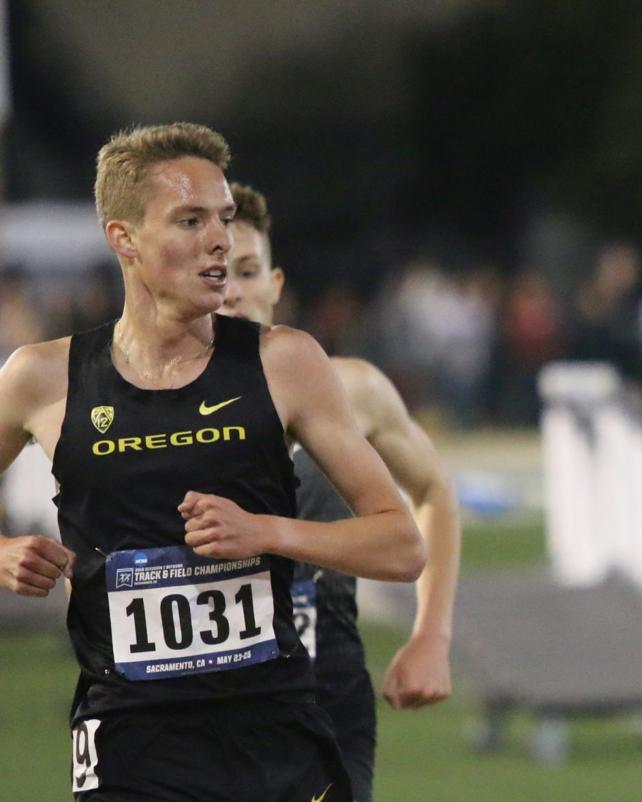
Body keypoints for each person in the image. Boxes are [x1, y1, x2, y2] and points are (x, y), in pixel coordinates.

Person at [0, 123, 427, 801]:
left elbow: (402, 544)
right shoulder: (43, 379)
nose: (220, 239)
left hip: (272, 737)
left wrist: (267, 532)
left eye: (224, 218)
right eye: (190, 220)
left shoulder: (283, 362)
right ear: (124, 238)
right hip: (128, 742)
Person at [219, 181, 461, 802]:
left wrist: (431, 636)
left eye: (248, 270)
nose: (233, 290)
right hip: (199, 701)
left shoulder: (352, 390)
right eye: (219, 272)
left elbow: (433, 490)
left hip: (324, 696)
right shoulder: (148, 405)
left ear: (275, 284)